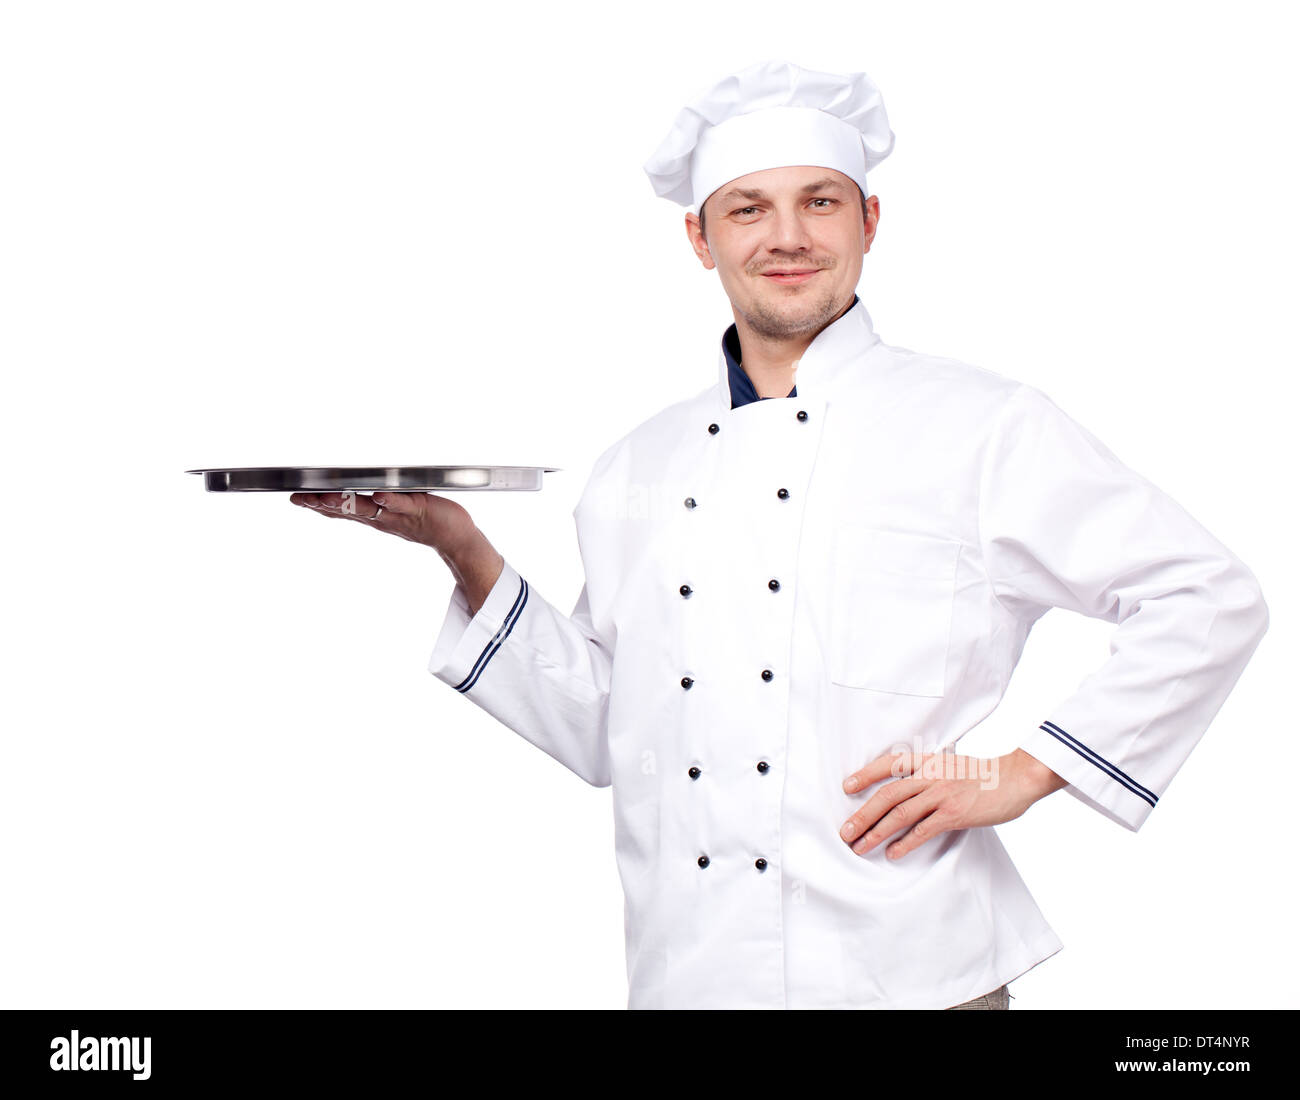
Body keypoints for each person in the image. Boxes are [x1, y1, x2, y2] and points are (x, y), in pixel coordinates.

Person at [290, 60, 1270, 1010]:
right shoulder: (637, 466)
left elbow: (1205, 595)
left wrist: (1022, 772)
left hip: (916, 977)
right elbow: (610, 731)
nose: (787, 236)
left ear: (871, 221)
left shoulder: (981, 425)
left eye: (821, 201)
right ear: (699, 237)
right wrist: (461, 548)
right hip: (691, 971)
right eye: (748, 208)